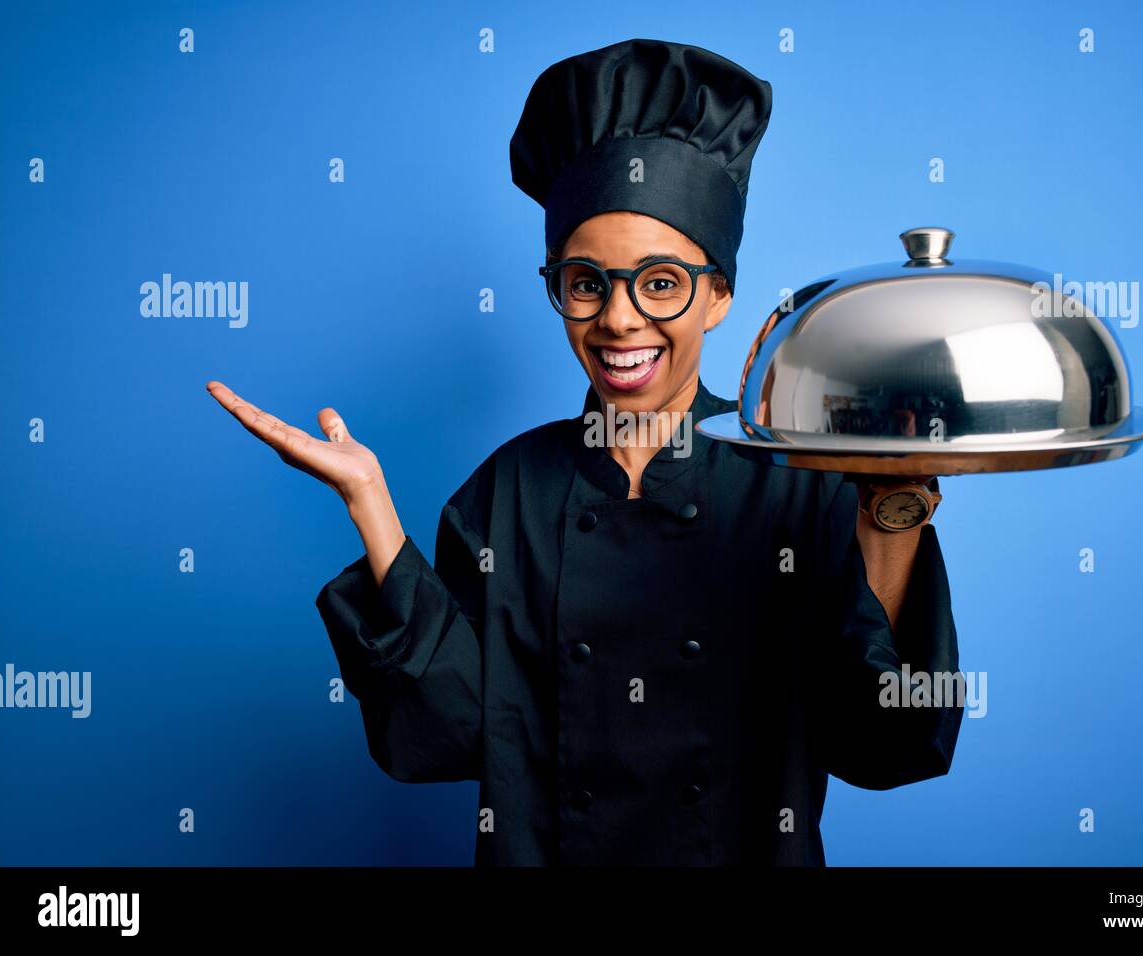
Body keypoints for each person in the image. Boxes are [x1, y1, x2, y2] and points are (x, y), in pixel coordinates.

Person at [206, 37, 964, 866]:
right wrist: (373, 510)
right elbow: (449, 740)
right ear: (557, 289)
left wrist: (894, 506)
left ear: (719, 295)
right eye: (585, 281)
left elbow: (883, 744)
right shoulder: (506, 492)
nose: (620, 319)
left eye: (662, 282)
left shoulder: (801, 480)